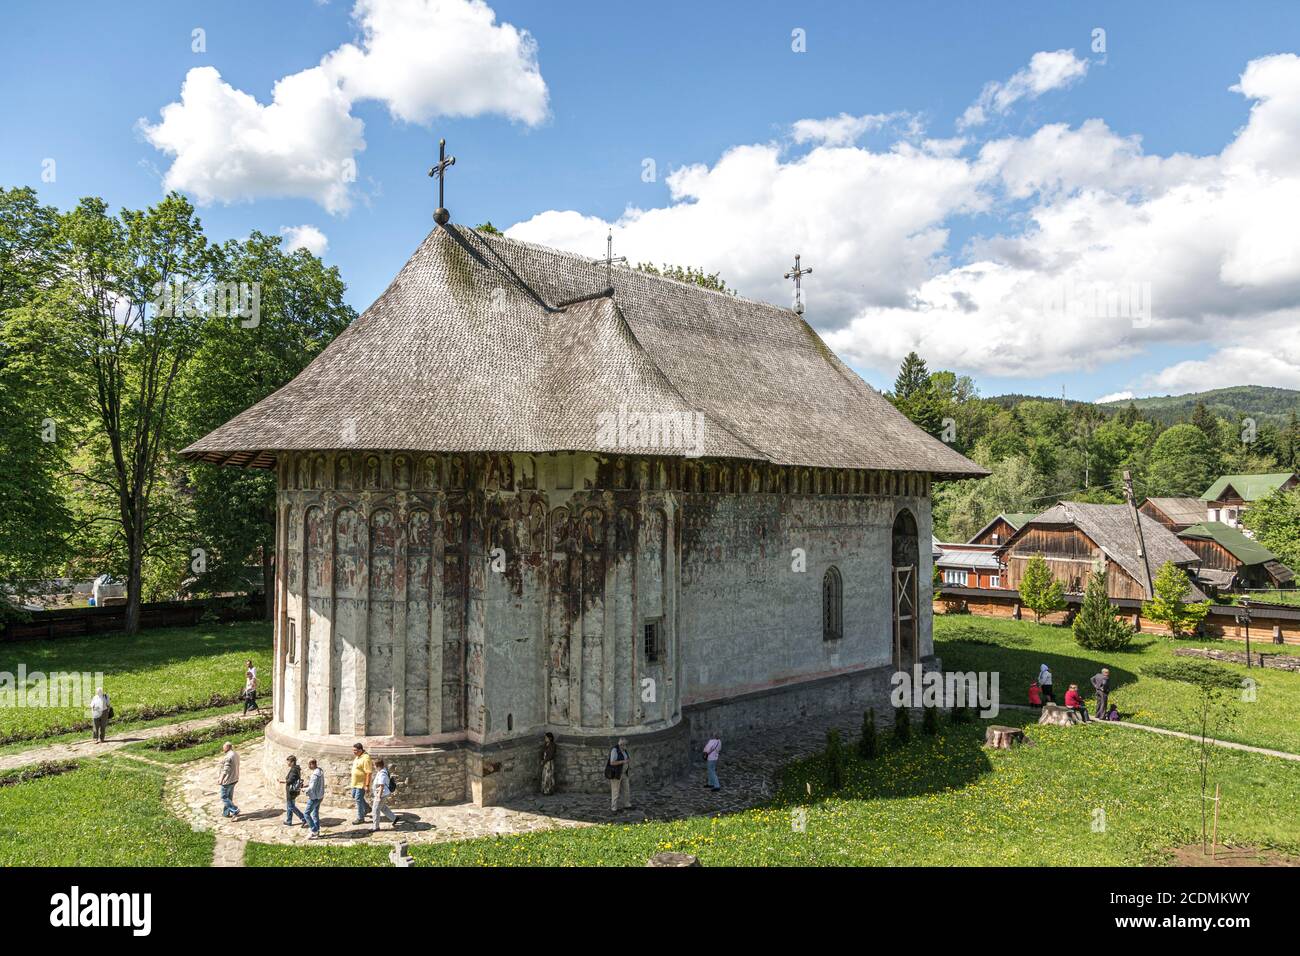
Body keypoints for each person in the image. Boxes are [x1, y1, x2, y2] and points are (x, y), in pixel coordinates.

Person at [371, 758, 399, 833]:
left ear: (378, 766)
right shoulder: (382, 771)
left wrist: (378, 797)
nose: (374, 767)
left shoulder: (382, 774)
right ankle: (394, 818)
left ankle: (375, 827)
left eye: (374, 766)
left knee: (375, 810)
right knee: (383, 808)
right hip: (383, 793)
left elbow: (381, 786)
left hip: (381, 794)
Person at [350, 742, 374, 824]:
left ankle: (360, 818)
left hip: (361, 783)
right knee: (354, 796)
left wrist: (367, 785)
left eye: (355, 751)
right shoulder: (358, 756)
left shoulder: (366, 758)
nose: (354, 752)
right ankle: (367, 808)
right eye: (353, 750)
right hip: (355, 783)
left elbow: (368, 772)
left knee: (358, 799)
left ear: (360, 750)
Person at [606, 737, 631, 813]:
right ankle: (614, 808)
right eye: (624, 745)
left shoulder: (624, 750)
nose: (625, 746)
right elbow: (612, 762)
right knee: (615, 791)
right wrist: (623, 761)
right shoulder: (615, 750)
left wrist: (628, 761)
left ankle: (627, 804)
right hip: (616, 774)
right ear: (620, 744)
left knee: (626, 789)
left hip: (624, 773)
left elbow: (627, 759)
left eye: (626, 745)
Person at [283, 755, 307, 827]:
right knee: (289, 806)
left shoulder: (294, 770)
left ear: (292, 762)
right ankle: (289, 820)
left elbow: (290, 780)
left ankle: (303, 818)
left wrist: (283, 781)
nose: (287, 763)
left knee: (291, 806)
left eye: (288, 762)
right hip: (293, 791)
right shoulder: (296, 769)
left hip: (291, 791)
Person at [218, 742, 241, 819]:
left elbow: (226, 769)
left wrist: (221, 778)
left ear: (227, 747)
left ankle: (235, 810)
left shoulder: (228, 757)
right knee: (229, 797)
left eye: (223, 747)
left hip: (228, 780)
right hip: (235, 778)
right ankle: (226, 813)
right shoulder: (236, 754)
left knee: (224, 797)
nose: (223, 749)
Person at [304, 758, 324, 839]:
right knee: (315, 813)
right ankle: (317, 830)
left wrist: (304, 789)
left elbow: (312, 787)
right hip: (320, 796)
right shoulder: (320, 771)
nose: (308, 766)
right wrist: (308, 785)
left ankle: (314, 830)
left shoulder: (314, 775)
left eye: (309, 764)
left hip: (314, 797)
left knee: (306, 814)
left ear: (312, 764)